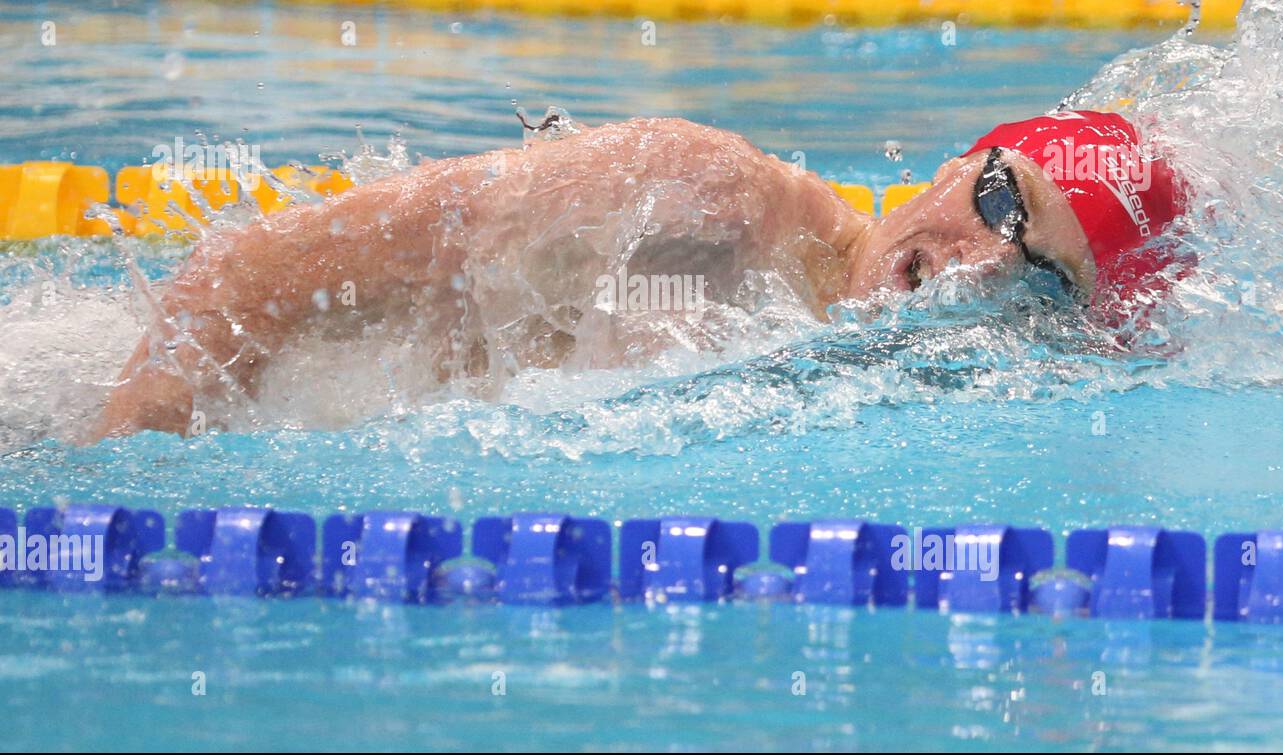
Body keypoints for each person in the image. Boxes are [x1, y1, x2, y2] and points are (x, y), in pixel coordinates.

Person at [89, 109, 1183, 440]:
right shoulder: (704, 194)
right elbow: (246, 271)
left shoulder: (849, 379)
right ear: (959, 162)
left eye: (1041, 282)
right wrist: (118, 491)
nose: (986, 262)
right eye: (1003, 205)